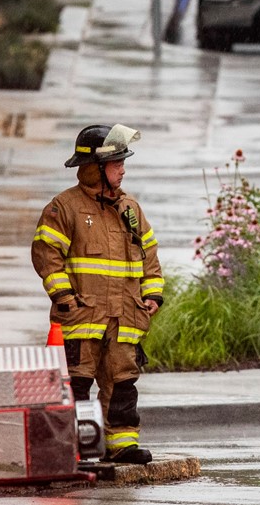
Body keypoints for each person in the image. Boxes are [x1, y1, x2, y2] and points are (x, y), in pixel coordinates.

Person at [32, 124, 164, 465]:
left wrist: (152, 295)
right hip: (81, 319)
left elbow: (149, 255)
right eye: (116, 162)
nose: (122, 169)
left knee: (122, 385)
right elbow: (47, 256)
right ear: (94, 167)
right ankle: (72, 446)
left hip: (125, 320)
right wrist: (66, 300)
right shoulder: (64, 208)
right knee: (76, 386)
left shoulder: (131, 209)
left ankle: (121, 445)